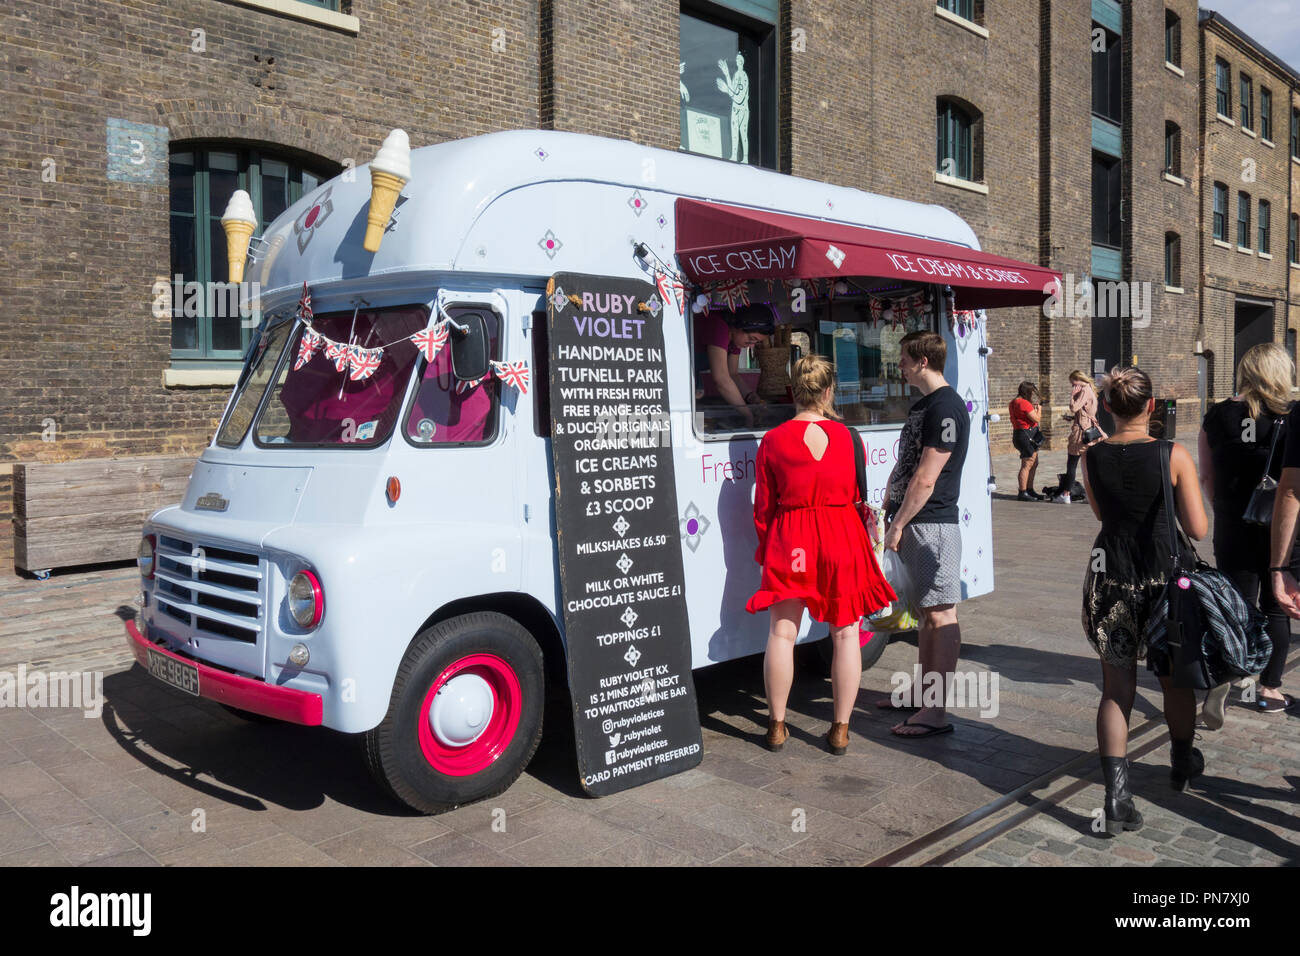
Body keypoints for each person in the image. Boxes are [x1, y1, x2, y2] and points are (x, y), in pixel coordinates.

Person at [1081, 367, 1208, 835]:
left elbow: (1101, 514)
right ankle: (1181, 759)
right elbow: (1197, 529)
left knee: (1116, 690)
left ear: (1109, 408)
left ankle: (1116, 799)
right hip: (1163, 584)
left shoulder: (1090, 458)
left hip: (1110, 578)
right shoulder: (1171, 454)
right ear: (1151, 407)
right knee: (1174, 680)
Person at [747, 355, 896, 755]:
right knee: (846, 634)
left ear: (793, 391)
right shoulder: (850, 438)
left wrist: (766, 549)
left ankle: (776, 726)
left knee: (782, 633)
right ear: (830, 390)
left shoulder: (773, 441)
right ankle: (840, 730)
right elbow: (859, 493)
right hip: (841, 535)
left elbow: (764, 508)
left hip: (792, 536)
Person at [879, 330, 970, 738]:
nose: (898, 365)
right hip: (918, 521)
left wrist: (899, 523)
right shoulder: (927, 404)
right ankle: (922, 695)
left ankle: (935, 712)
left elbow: (928, 476)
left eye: (902, 358)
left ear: (920, 362)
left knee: (940, 615)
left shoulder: (946, 408)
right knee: (925, 617)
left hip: (931, 523)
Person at [1201, 343, 1296, 721]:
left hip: (1233, 523)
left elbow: (1207, 475)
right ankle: (1269, 689)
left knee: (1236, 606)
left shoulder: (1218, 415)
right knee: (1278, 607)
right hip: (1284, 528)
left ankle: (1229, 673)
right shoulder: (1292, 417)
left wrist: (1223, 508)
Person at [695, 303, 772, 428]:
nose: (751, 345)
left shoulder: (735, 341)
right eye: (751, 339)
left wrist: (751, 397)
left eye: (756, 342)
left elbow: (733, 374)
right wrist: (747, 415)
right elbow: (721, 379)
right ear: (738, 327)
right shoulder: (718, 326)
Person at [1056, 370, 1106, 504]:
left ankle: (1066, 494)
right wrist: (1073, 418)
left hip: (1081, 434)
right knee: (1089, 465)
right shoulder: (1089, 389)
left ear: (1078, 380)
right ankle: (1092, 495)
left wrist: (1072, 396)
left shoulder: (1084, 390)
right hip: (1089, 429)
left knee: (1072, 464)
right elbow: (1085, 412)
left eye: (1073, 383)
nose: (1073, 386)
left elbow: (1074, 407)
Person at [1009, 382, 1044, 501]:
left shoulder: (1013, 402)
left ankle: (1030, 490)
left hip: (1019, 434)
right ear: (1027, 392)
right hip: (1026, 435)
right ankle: (1022, 492)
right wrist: (1039, 410)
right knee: (1027, 464)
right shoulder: (1024, 403)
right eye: (1031, 393)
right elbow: (1037, 419)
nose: (1032, 395)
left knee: (1034, 463)